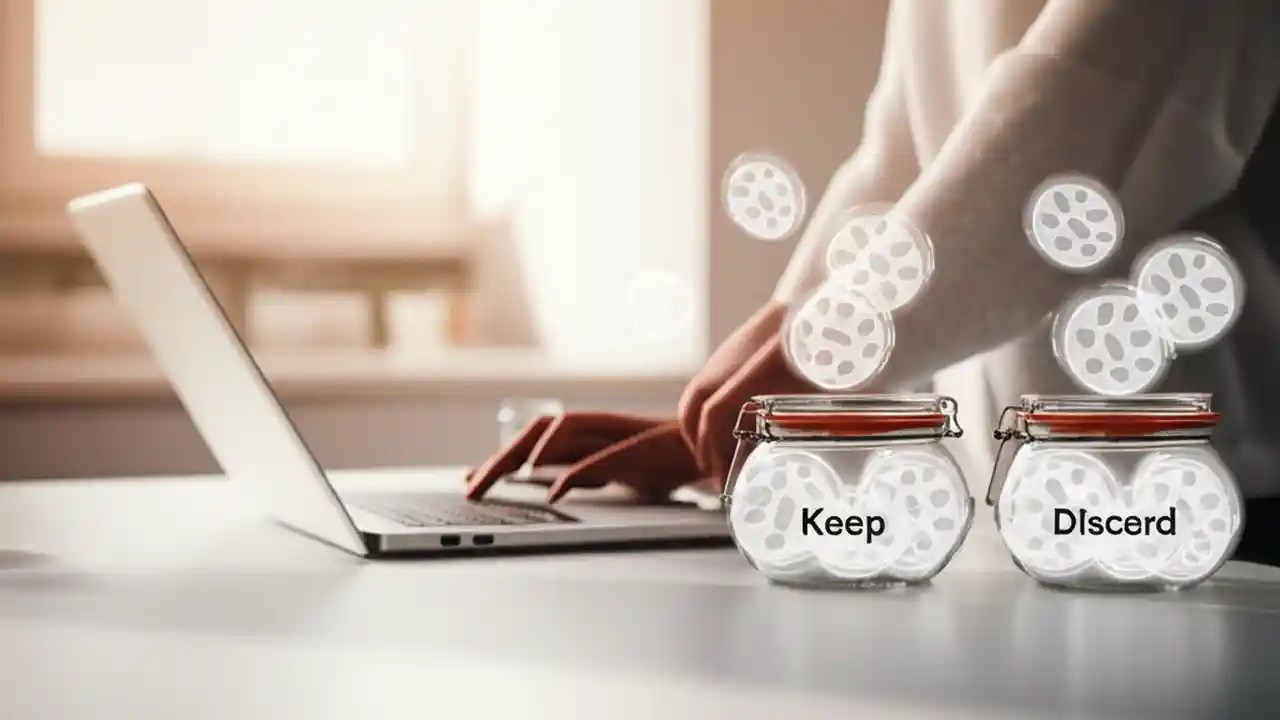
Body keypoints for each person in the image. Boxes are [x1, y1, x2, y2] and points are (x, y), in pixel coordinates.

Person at [466, 0, 1280, 560]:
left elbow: (1092, 117)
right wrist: (725, 404)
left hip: (1204, 494)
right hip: (1018, 491)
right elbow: (903, 155)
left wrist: (808, 364)